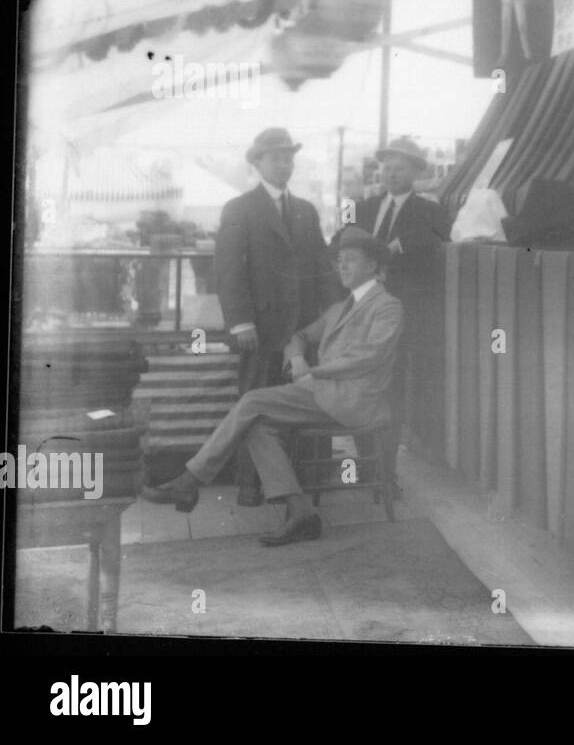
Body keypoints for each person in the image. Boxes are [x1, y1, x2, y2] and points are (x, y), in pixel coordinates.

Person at [142, 227, 404, 546]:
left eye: (351, 260)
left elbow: (371, 356)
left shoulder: (387, 306)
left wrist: (316, 373)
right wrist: (297, 361)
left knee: (252, 401)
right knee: (256, 427)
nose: (343, 267)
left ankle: (191, 479)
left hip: (355, 401)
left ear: (373, 266)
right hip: (325, 394)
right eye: (340, 261)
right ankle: (300, 512)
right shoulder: (341, 307)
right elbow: (299, 337)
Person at [214, 128, 341, 506]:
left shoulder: (305, 210)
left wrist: (335, 313)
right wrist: (240, 322)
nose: (284, 164)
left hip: (302, 331)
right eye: (275, 158)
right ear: (257, 164)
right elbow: (227, 269)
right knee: (253, 404)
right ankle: (250, 485)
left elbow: (321, 266)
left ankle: (301, 481)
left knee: (302, 403)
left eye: (288, 158)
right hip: (262, 328)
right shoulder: (239, 209)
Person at [348, 137, 450, 483]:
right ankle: (364, 464)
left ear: (415, 173)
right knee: (360, 384)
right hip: (362, 313)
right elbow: (341, 245)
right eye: (387, 167)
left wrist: (395, 246)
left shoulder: (428, 210)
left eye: (400, 168)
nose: (391, 173)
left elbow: (435, 236)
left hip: (399, 315)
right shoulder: (363, 207)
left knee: (390, 388)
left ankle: (385, 472)